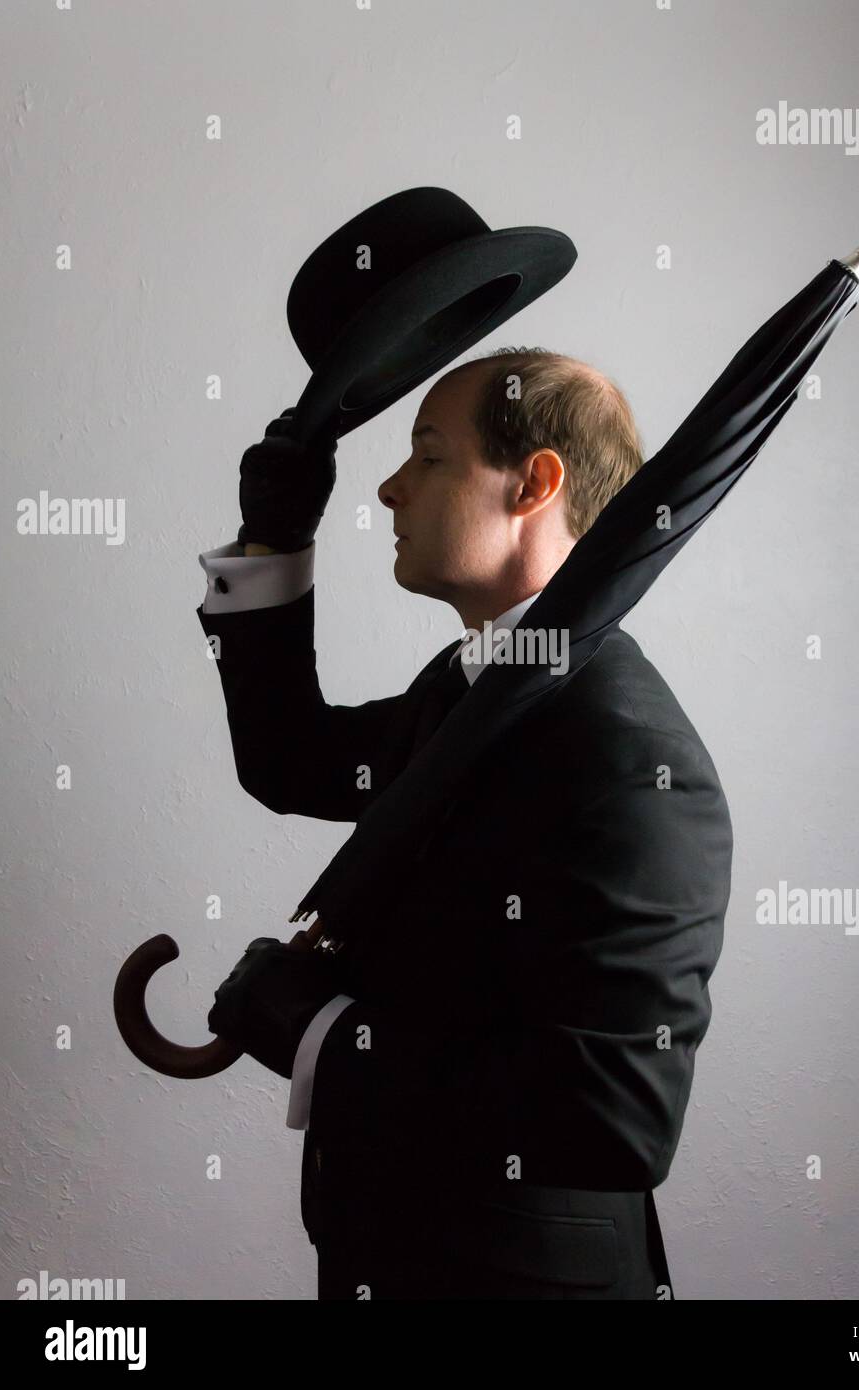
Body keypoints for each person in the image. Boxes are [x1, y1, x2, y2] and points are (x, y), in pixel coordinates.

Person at [198, 346, 734, 1299]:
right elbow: (288, 758)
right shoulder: (471, 689)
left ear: (533, 482)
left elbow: (615, 1119)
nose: (390, 488)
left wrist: (322, 1033)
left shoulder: (627, 762)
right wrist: (269, 540)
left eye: (428, 455)